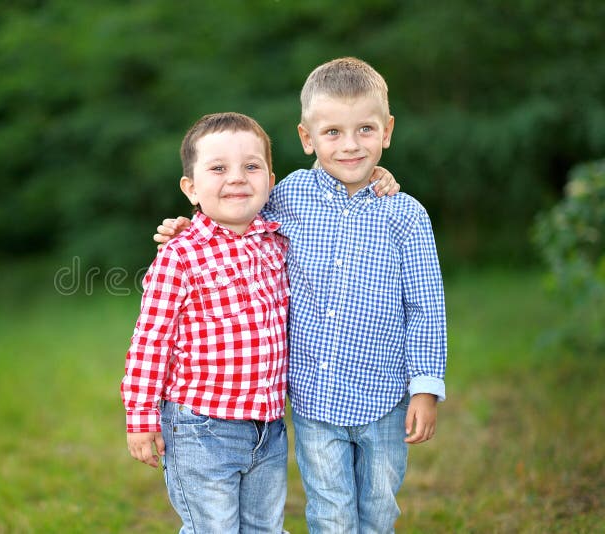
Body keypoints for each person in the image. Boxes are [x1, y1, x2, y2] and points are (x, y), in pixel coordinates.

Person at [155, 57, 447, 533]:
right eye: (332, 132)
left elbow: (425, 307)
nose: (350, 145)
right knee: (329, 509)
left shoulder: (406, 216)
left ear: (387, 131)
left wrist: (426, 387)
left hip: (386, 395)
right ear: (307, 138)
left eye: (365, 130)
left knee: (378, 509)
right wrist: (186, 228)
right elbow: (233, 210)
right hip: (314, 396)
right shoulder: (287, 195)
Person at [121, 112, 291, 533]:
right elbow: (151, 340)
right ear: (191, 187)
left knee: (264, 528)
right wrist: (140, 417)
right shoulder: (180, 255)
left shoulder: (279, 243)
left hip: (267, 427)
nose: (237, 178)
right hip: (201, 427)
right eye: (218, 168)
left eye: (251, 166)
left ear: (271, 179)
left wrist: (376, 174)